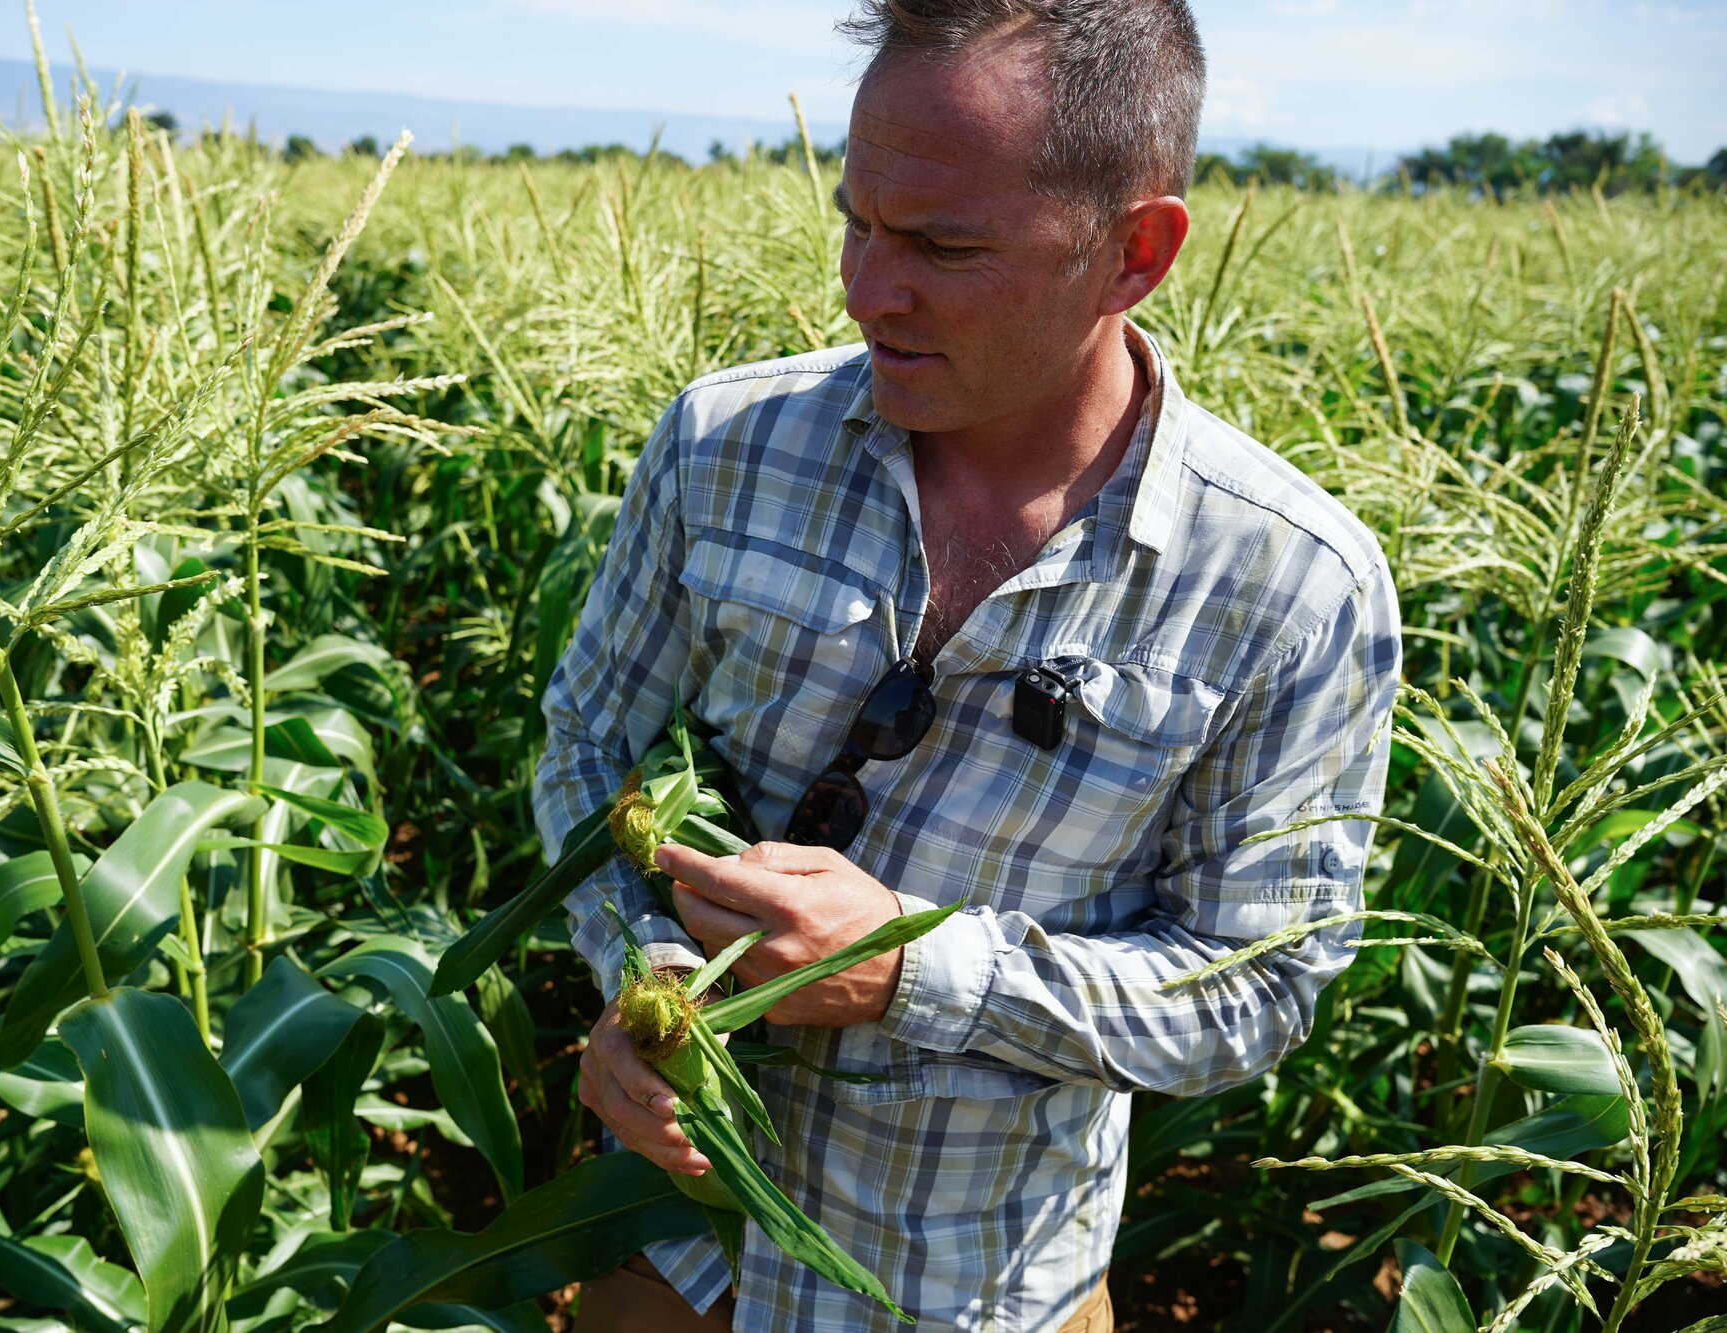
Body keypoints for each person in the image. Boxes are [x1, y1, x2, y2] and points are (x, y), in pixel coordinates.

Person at [534, 1, 1403, 1329]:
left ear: (1134, 253)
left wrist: (911, 969)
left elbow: (1260, 984)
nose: (869, 289)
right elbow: (587, 746)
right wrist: (640, 966)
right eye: (858, 223)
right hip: (675, 1254)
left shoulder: (1290, 586)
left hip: (981, 1286)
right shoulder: (723, 446)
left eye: (943, 244)